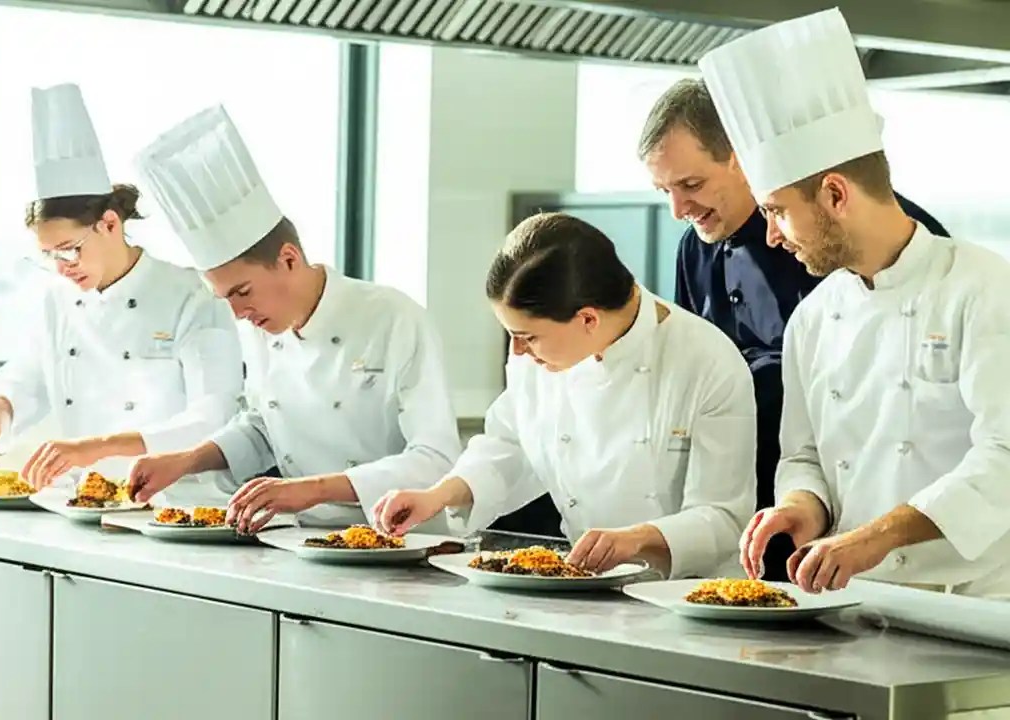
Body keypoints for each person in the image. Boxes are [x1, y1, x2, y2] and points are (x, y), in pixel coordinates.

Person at [702, 8, 1010, 598]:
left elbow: (1003, 455)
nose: (771, 235)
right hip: (858, 602)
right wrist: (800, 506)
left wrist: (877, 536)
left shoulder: (984, 289)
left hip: (978, 609)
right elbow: (806, 454)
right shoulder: (814, 320)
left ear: (835, 194)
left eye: (776, 210)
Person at [637, 78, 949, 581]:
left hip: (882, 534)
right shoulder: (694, 251)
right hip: (770, 509)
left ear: (743, 159)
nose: (678, 210)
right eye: (664, 191)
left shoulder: (860, 243)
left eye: (691, 185)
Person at [126, 104, 461, 532]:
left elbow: (435, 458)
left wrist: (311, 489)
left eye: (242, 292)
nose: (237, 314)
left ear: (288, 259)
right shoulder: (266, 328)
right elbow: (265, 425)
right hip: (308, 539)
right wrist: (186, 460)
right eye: (224, 297)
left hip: (401, 543)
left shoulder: (394, 317)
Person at [374, 212, 756, 578]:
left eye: (528, 337)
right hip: (585, 582)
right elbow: (509, 443)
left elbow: (722, 517)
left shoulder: (707, 361)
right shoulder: (541, 358)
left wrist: (635, 539)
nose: (518, 352)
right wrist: (438, 496)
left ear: (588, 319)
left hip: (688, 595)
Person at [0, 84, 243, 497]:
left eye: (70, 250)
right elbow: (29, 377)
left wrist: (96, 448)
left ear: (110, 224)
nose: (62, 267)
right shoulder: (57, 301)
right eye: (48, 256)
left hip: (175, 503)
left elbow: (213, 414)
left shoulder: (192, 296)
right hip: (87, 499)